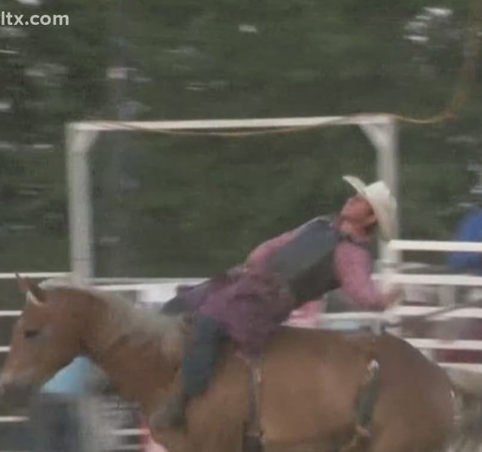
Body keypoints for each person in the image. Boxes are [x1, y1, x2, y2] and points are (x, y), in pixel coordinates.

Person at [149, 175, 402, 431]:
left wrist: (382, 299)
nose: (352, 199)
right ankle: (152, 374)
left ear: (370, 218)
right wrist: (254, 262)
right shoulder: (321, 224)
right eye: (356, 195)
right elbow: (281, 241)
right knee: (178, 305)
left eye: (360, 200)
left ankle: (183, 403)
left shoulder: (352, 254)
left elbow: (361, 292)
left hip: (268, 301)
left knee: (208, 323)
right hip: (247, 281)